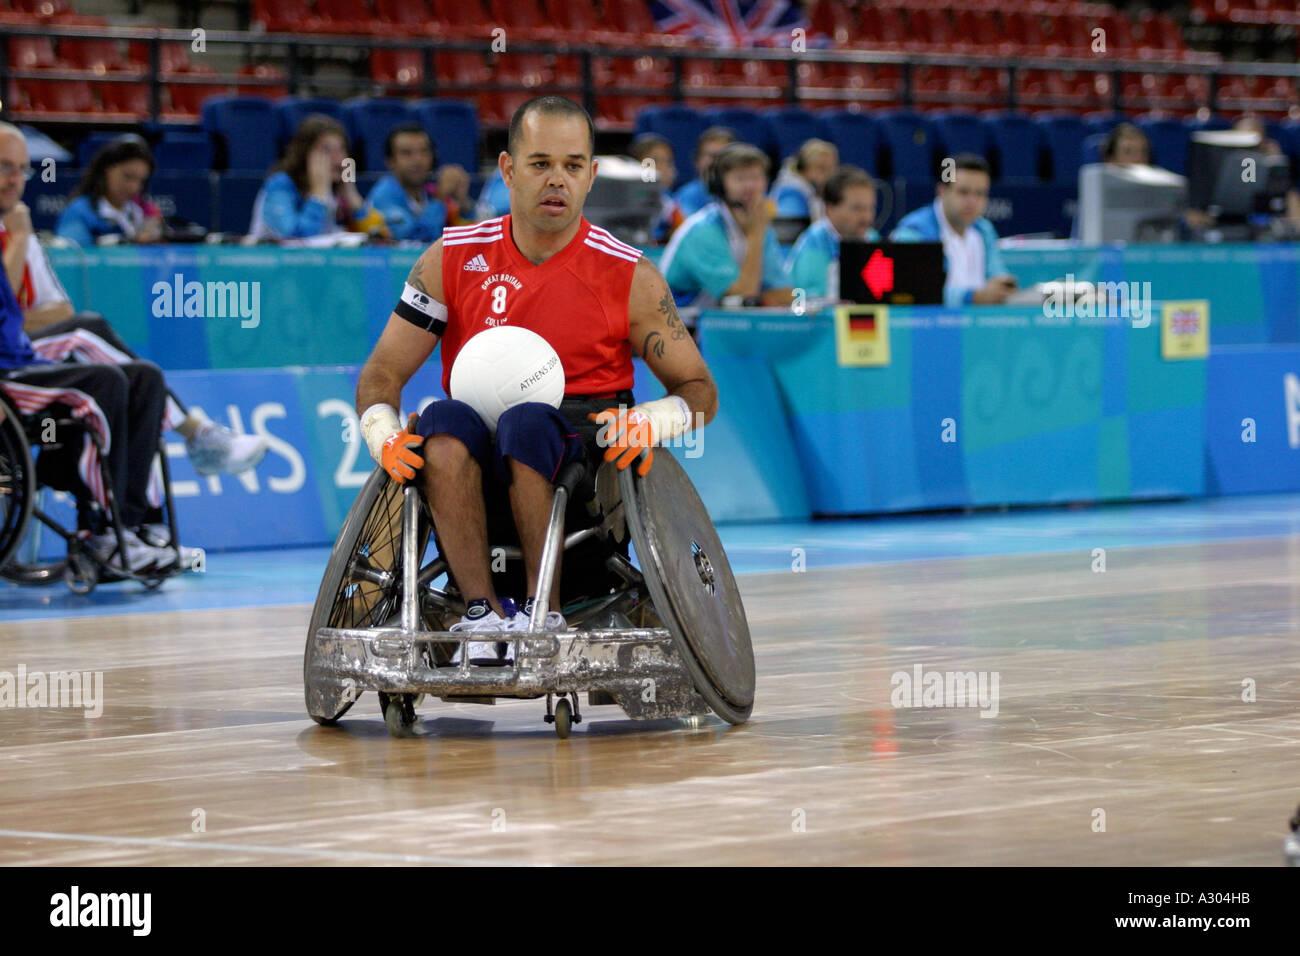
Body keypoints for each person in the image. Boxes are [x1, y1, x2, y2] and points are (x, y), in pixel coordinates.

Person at [355, 95, 717, 661]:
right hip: (474, 449)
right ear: (507, 169)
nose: (557, 180)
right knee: (442, 421)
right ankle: (480, 616)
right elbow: (382, 371)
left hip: (582, 456)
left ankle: (541, 612)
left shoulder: (632, 276)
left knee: (528, 424)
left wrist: (650, 420)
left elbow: (699, 391)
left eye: (573, 166)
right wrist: (382, 432)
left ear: (592, 176)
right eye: (540, 163)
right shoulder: (449, 260)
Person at [0, 123, 266, 490]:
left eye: (21, 169)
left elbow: (59, 311)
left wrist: (15, 318)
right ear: (106, 171)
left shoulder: (23, 227)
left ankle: (132, 531)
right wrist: (16, 249)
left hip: (33, 353)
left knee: (139, 383)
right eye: (4, 167)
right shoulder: (44, 222)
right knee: (87, 331)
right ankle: (197, 433)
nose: (15, 179)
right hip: (12, 362)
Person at [0, 252, 178, 573]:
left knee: (144, 377)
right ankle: (101, 530)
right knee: (103, 381)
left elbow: (49, 314)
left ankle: (136, 523)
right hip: (6, 380)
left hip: (23, 361)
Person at [659, 142, 794, 310]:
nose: (750, 186)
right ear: (720, 185)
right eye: (740, 179)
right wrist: (755, 235)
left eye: (756, 177)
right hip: (680, 322)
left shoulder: (760, 225)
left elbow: (784, 292)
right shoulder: (703, 231)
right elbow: (741, 295)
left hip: (718, 323)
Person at [891, 153, 1017, 306]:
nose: (972, 201)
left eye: (980, 194)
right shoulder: (912, 232)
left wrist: (1003, 287)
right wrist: (972, 297)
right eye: (963, 192)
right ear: (942, 191)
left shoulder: (984, 229)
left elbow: (997, 273)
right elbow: (914, 290)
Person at [248, 115, 378, 241]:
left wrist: (354, 200)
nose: (338, 159)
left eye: (341, 149)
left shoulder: (338, 189)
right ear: (305, 154)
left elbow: (379, 238)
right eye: (326, 150)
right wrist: (318, 196)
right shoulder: (280, 185)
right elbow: (295, 239)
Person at [787, 165, 880, 299]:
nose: (867, 217)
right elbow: (807, 301)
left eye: (870, 208)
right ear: (829, 209)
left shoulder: (873, 239)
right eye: (857, 208)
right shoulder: (813, 243)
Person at [55, 135, 164, 247]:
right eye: (128, 176)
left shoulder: (143, 212)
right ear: (107, 168)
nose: (134, 188)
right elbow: (71, 257)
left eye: (141, 181)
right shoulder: (79, 212)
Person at [361, 123, 449, 242]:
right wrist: (440, 198)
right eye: (407, 153)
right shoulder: (383, 195)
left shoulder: (430, 191)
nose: (418, 159)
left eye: (424, 151)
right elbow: (415, 238)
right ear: (390, 161)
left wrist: (464, 204)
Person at [628, 132, 685, 242]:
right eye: (654, 161)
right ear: (635, 165)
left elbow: (684, 238)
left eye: (668, 162)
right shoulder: (622, 201)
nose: (662, 168)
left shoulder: (670, 205)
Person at [672, 126, 736, 218]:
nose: (717, 162)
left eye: (723, 156)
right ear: (698, 160)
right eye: (712, 156)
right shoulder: (686, 196)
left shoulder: (750, 193)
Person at [771, 138, 839, 221]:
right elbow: (787, 228)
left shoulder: (817, 193)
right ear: (804, 167)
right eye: (822, 168)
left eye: (832, 168)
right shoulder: (791, 194)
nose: (828, 174)